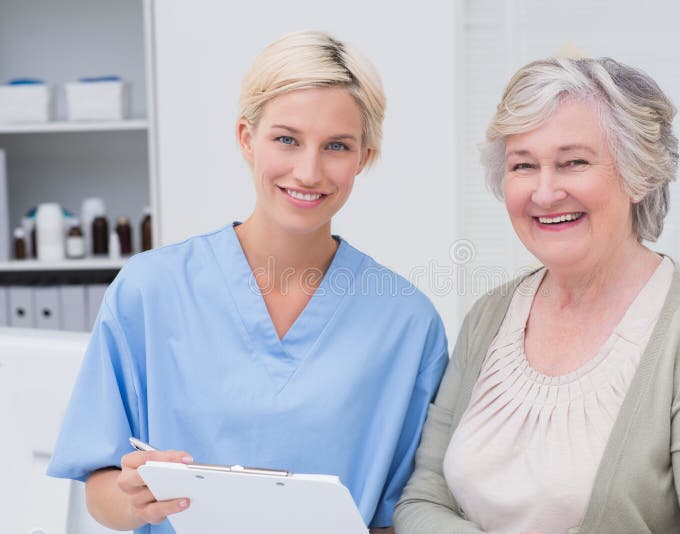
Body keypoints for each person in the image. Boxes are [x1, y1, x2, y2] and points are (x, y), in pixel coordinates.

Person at [47, 30, 448, 534]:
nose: (309, 171)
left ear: (364, 157)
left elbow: (403, 513)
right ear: (245, 138)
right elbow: (101, 492)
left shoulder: (408, 325)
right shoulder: (149, 291)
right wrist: (133, 498)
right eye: (286, 139)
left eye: (337, 146)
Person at [395, 57, 680, 533]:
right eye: (523, 166)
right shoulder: (490, 316)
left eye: (574, 162)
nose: (546, 191)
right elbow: (422, 498)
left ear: (636, 174)